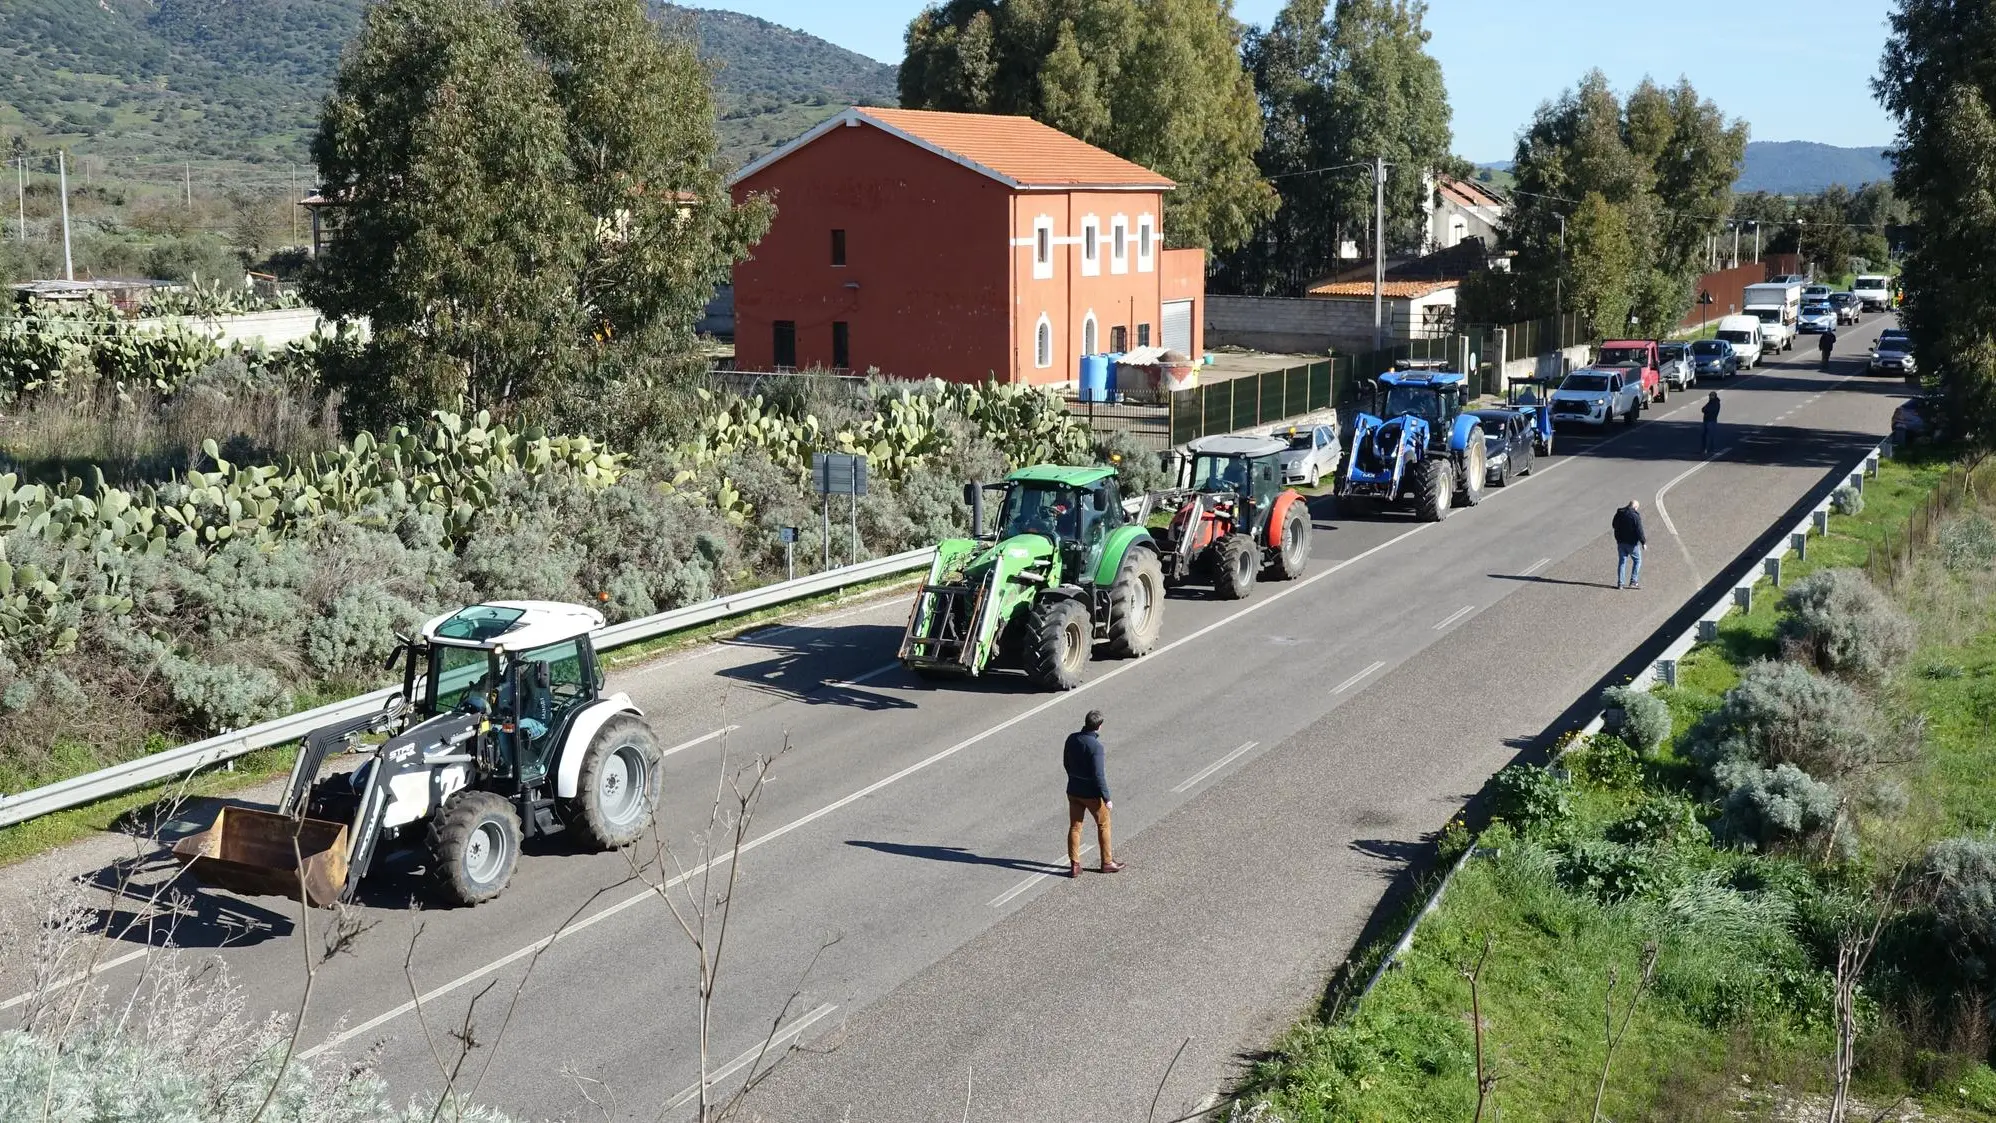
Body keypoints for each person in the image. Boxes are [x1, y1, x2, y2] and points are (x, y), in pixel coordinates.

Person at [1062, 710, 1122, 877]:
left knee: (1075, 826)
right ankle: (1107, 862)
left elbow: (1066, 762)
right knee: (1103, 824)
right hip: (1091, 794)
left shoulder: (1072, 738)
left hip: (1073, 790)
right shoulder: (1096, 747)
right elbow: (1098, 775)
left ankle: (1074, 865)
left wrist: (1074, 778)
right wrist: (1107, 798)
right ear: (1099, 726)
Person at [1612, 499, 1647, 590]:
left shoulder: (1619, 513)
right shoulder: (1635, 516)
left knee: (1622, 562)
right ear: (1635, 507)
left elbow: (1614, 525)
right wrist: (1643, 542)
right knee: (1637, 561)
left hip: (1620, 542)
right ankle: (1633, 581)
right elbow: (1639, 530)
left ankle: (1620, 583)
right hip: (1632, 543)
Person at [1701, 391, 1721, 455]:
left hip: (1711, 421)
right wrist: (1705, 410)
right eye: (1710, 395)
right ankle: (1705, 449)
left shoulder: (1716, 403)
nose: (1710, 397)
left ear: (1714, 396)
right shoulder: (1710, 402)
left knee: (1710, 436)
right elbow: (1703, 409)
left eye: (1711, 395)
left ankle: (1710, 449)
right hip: (1707, 420)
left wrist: (1706, 410)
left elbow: (1708, 410)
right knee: (1705, 436)